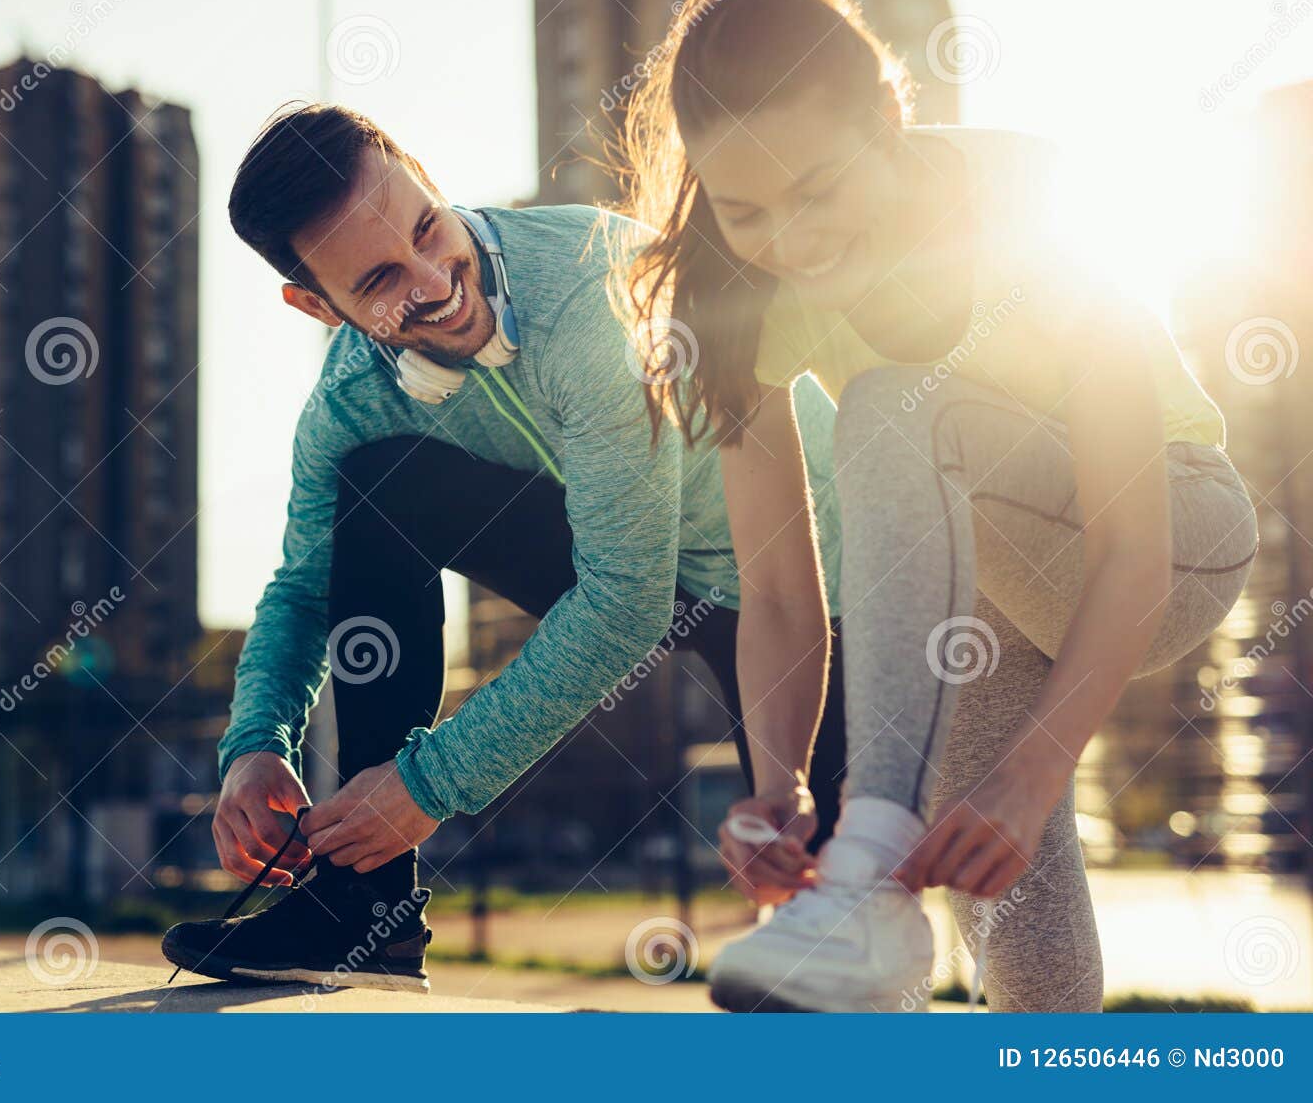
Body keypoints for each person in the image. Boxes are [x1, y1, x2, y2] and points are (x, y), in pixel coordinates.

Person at [612, 0, 1258, 1012]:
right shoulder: (735, 303)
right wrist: (776, 792)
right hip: (986, 598)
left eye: (817, 188)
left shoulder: (1028, 199)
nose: (792, 240)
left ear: (888, 116)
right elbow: (779, 593)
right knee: (1012, 921)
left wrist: (1039, 764)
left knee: (887, 406)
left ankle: (868, 874)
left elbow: (1132, 545)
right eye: (746, 210)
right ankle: (902, 953)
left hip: (1174, 533)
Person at [161, 103, 851, 993]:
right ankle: (364, 912)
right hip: (644, 559)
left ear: (435, 184)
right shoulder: (349, 400)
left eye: (426, 228)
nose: (436, 282)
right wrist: (255, 744)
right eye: (377, 281)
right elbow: (302, 587)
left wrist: (425, 784)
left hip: (810, 580)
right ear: (315, 307)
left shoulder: (588, 294)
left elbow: (623, 606)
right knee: (376, 484)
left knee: (822, 942)